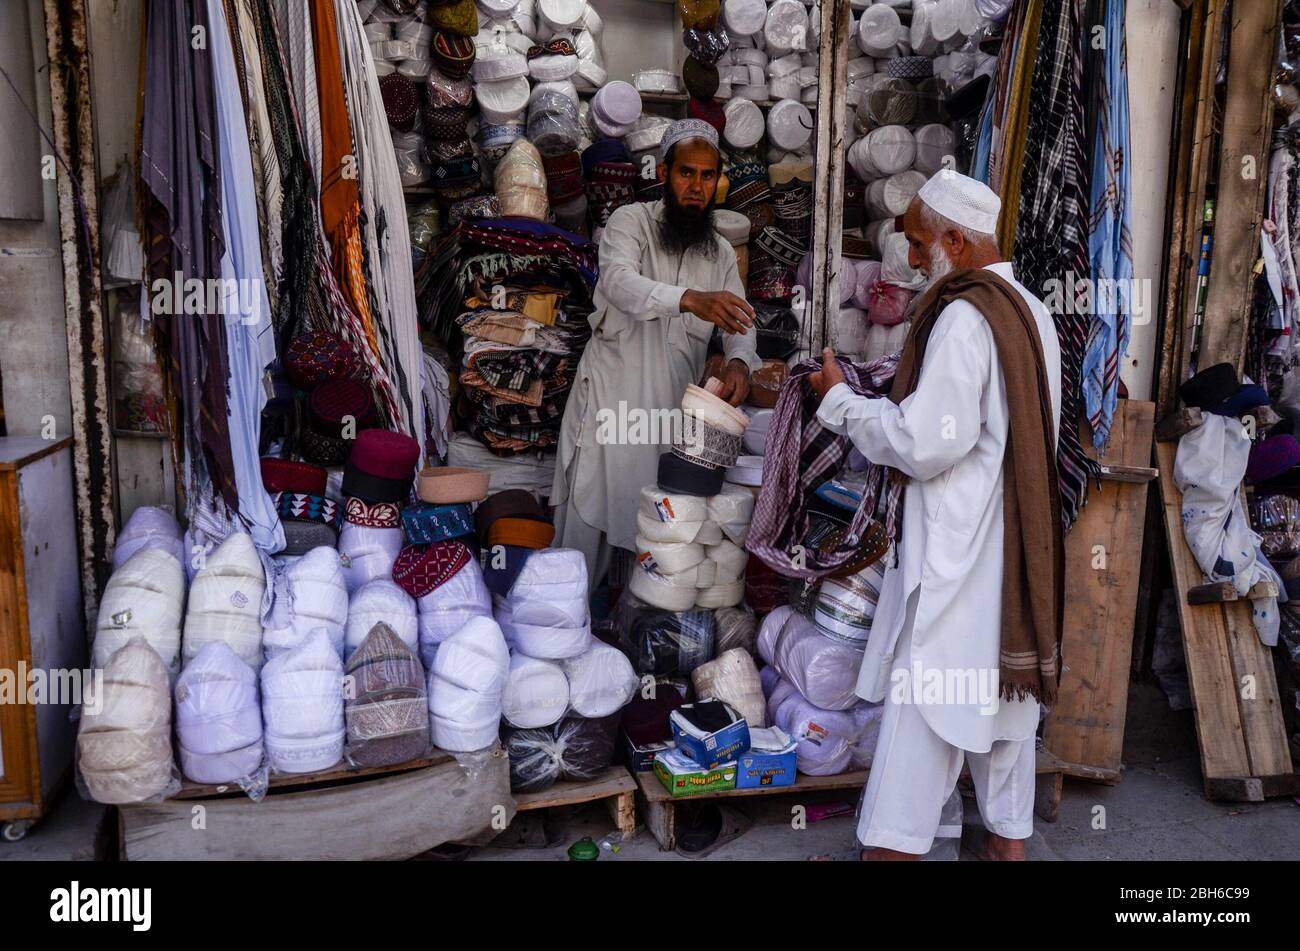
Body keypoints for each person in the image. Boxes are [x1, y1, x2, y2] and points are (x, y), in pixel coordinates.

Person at [808, 169, 1064, 861]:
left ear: (955, 238)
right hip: (1015, 589)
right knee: (1005, 774)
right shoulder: (1032, 311)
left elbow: (924, 442)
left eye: (920, 243)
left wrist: (839, 399)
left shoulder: (963, 315)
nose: (914, 259)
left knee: (901, 798)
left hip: (956, 586)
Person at [552, 119, 763, 589]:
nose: (696, 187)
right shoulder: (632, 223)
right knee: (588, 534)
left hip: (668, 420)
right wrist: (689, 298)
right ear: (664, 172)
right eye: (687, 173)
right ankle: (563, 632)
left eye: (708, 177)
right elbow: (618, 283)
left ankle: (632, 643)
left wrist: (738, 361)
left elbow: (740, 324)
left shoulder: (721, 253)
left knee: (656, 535)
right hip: (612, 406)